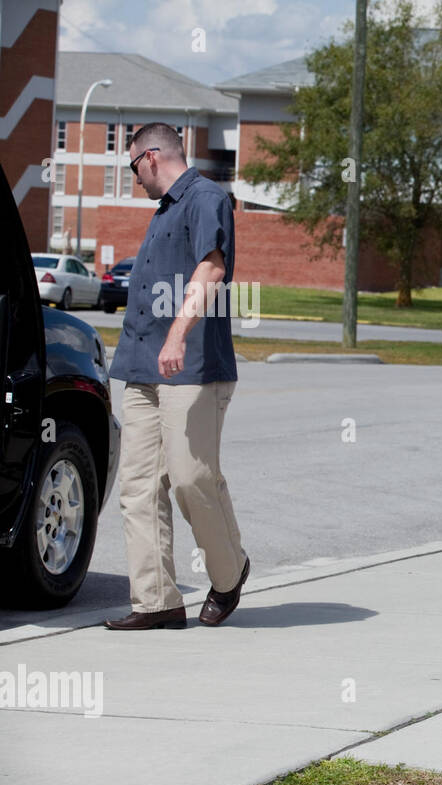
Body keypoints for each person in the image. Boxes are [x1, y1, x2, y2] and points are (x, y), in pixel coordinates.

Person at [105, 122, 249, 630]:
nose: (135, 180)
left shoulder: (206, 198)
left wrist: (176, 335)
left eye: (132, 168)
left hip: (192, 368)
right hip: (141, 370)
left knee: (191, 478)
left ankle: (230, 574)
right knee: (139, 488)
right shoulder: (164, 210)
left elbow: (210, 270)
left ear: (149, 157)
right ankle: (157, 601)